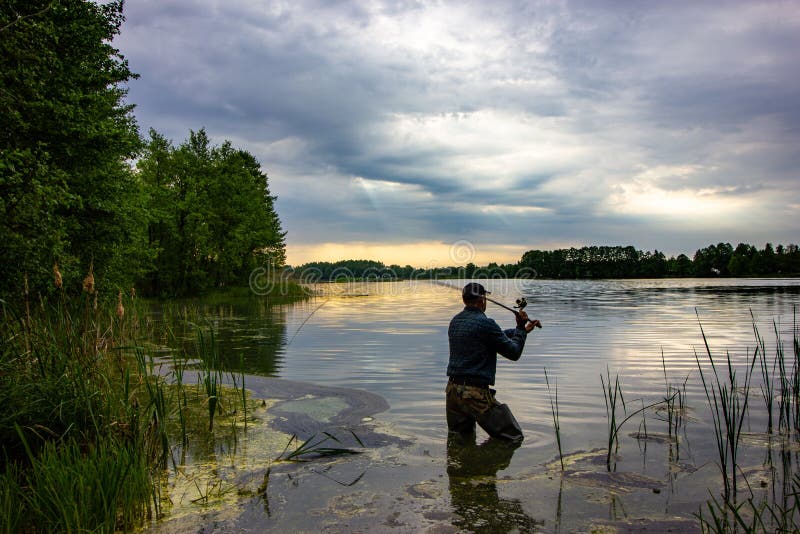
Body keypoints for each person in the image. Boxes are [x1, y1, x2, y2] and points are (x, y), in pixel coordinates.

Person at [446, 282, 541, 441]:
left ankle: (466, 464)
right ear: (482, 300)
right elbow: (513, 353)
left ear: (464, 300)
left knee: (460, 441)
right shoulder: (486, 323)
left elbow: (489, 337)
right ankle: (490, 462)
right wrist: (520, 329)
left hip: (452, 392)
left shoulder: (455, 321)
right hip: (474, 394)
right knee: (513, 437)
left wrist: (521, 331)